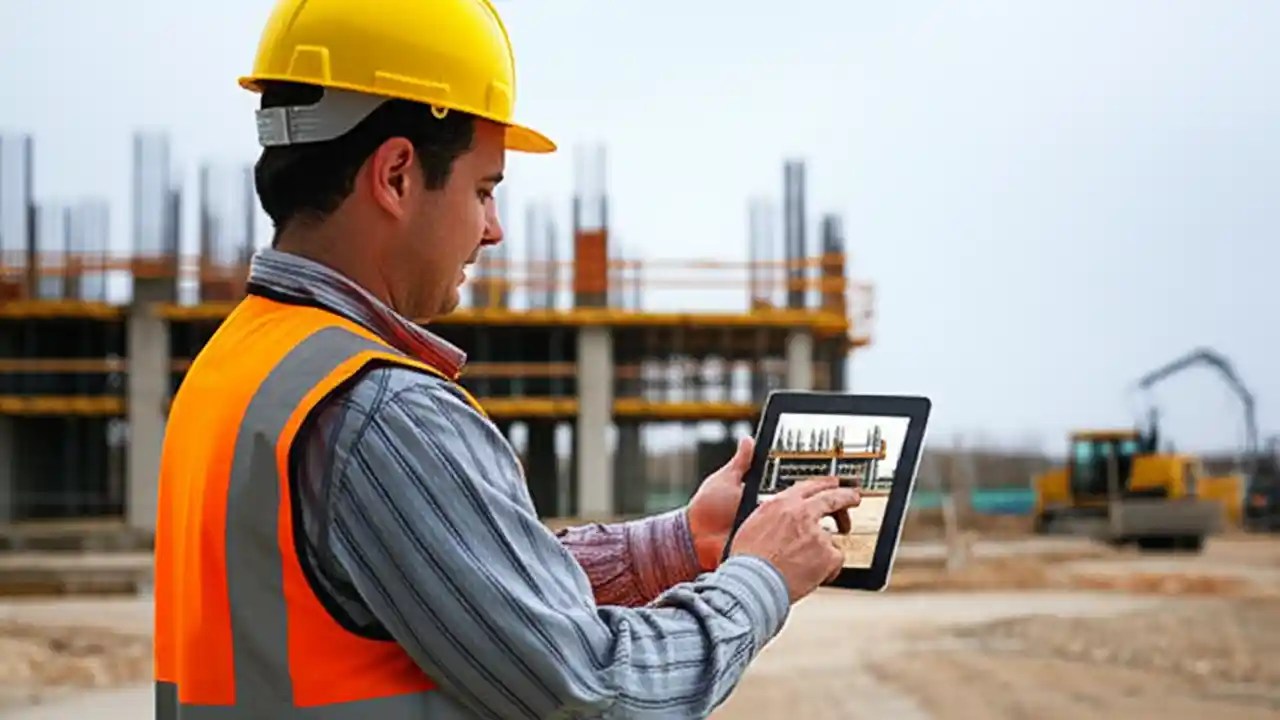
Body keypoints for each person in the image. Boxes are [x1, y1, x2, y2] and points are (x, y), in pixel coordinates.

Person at [151, 1, 863, 718]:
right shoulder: (384, 414)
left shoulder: (238, 367)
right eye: (484, 189)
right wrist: (761, 577)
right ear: (397, 174)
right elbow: (602, 696)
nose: (493, 229)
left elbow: (455, 587)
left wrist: (682, 542)